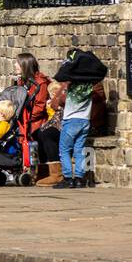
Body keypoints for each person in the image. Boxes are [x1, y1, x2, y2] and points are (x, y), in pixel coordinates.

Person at [50, 48, 109, 188]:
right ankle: (79, 178)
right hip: (85, 121)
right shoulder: (89, 86)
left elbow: (61, 100)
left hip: (71, 120)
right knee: (79, 149)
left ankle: (67, 178)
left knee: (64, 149)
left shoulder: (71, 86)